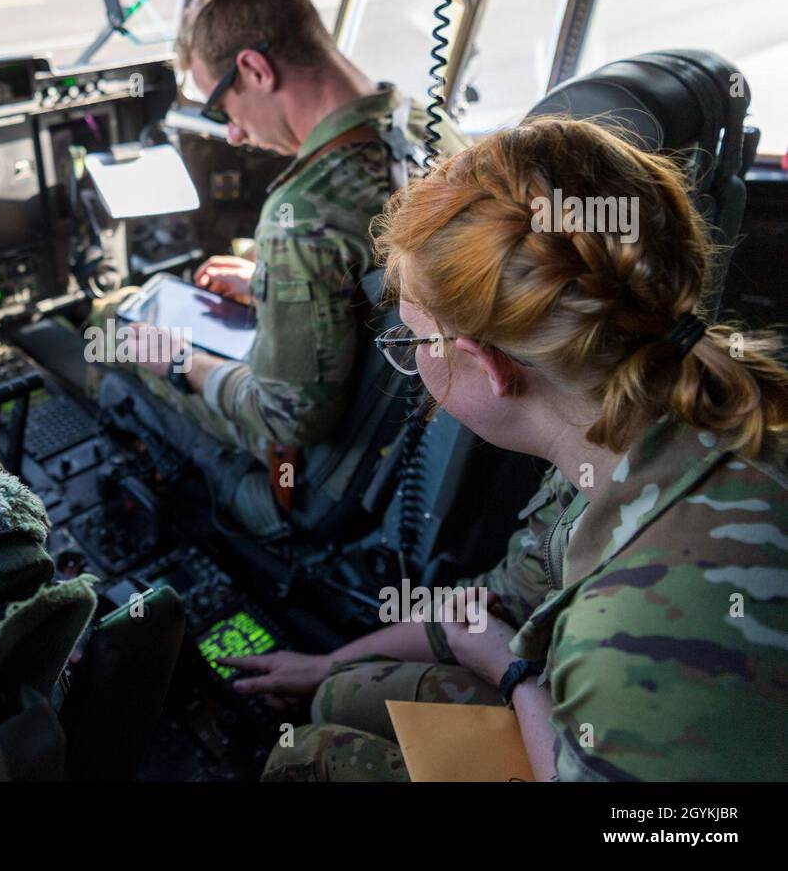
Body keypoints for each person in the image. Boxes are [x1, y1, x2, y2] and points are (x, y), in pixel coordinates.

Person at [239, 117, 788, 780]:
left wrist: (515, 672)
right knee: (341, 694)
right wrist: (327, 665)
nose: (415, 363)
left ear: (488, 366)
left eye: (415, 341)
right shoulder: (645, 418)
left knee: (312, 760)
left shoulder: (640, 630)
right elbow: (492, 605)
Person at [90, 0, 464, 536]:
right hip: (402, 442)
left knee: (115, 324)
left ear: (255, 69)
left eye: (222, 108)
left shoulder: (304, 212)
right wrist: (270, 280)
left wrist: (177, 359)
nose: (233, 133)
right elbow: (371, 277)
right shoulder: (424, 125)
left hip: (314, 481)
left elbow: (286, 417)